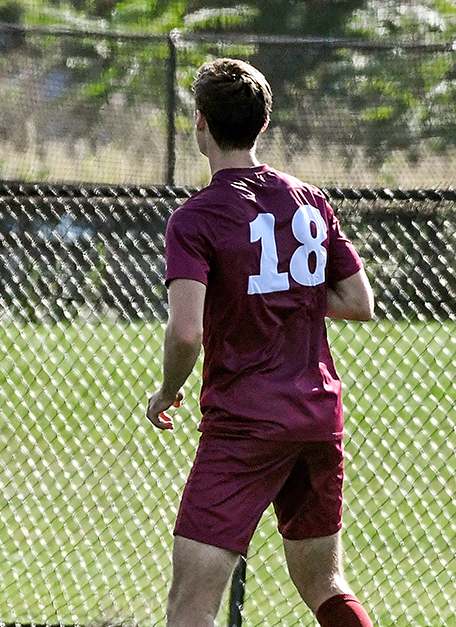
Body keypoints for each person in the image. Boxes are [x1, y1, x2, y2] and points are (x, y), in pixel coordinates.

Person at [145, 58, 377, 627]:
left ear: (199, 124)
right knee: (323, 582)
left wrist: (166, 392)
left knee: (190, 607)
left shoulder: (195, 219)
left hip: (246, 422)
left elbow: (185, 330)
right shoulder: (308, 200)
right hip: (317, 414)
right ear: (263, 124)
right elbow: (357, 301)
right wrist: (279, 297)